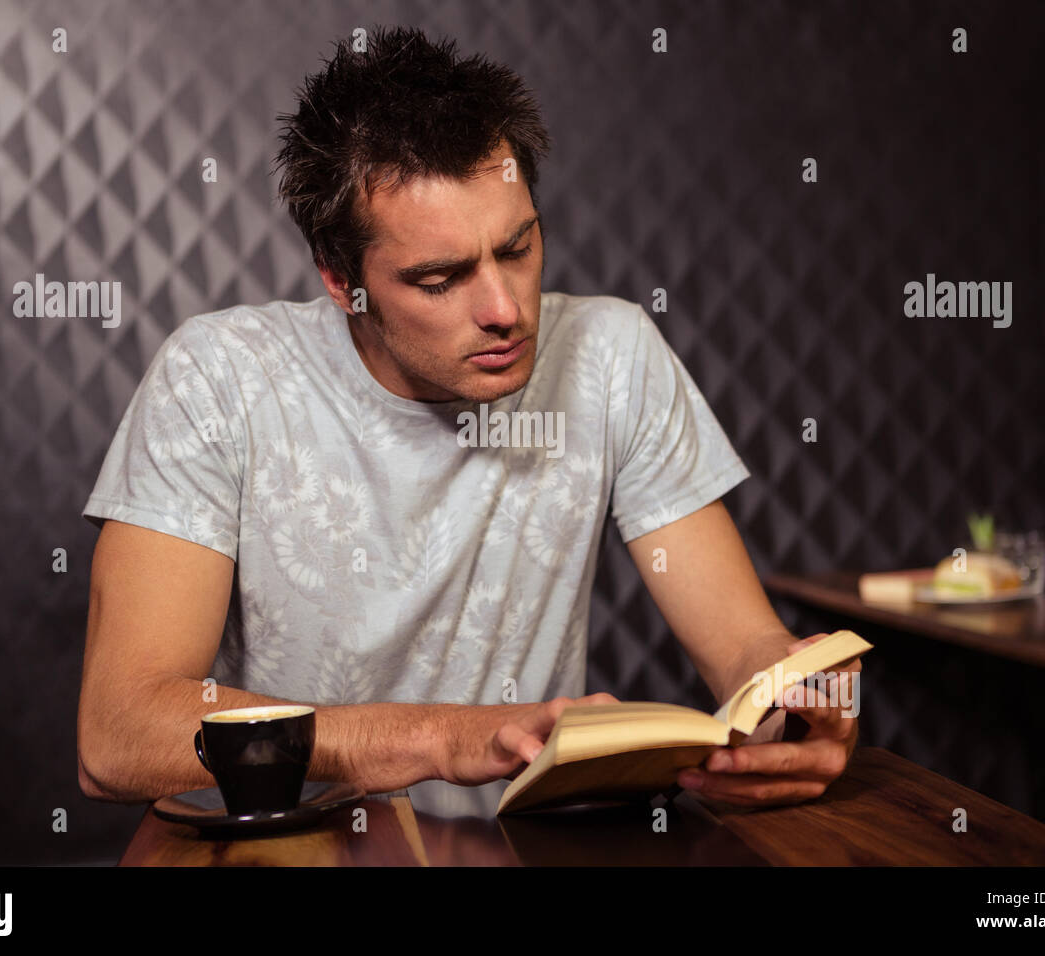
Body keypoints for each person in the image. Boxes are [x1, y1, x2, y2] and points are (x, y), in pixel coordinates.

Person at [76, 25, 859, 814]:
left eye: (517, 247)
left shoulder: (612, 353)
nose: (505, 310)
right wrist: (445, 737)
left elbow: (745, 651)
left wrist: (796, 707)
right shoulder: (218, 377)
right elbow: (119, 733)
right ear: (341, 278)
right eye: (439, 278)